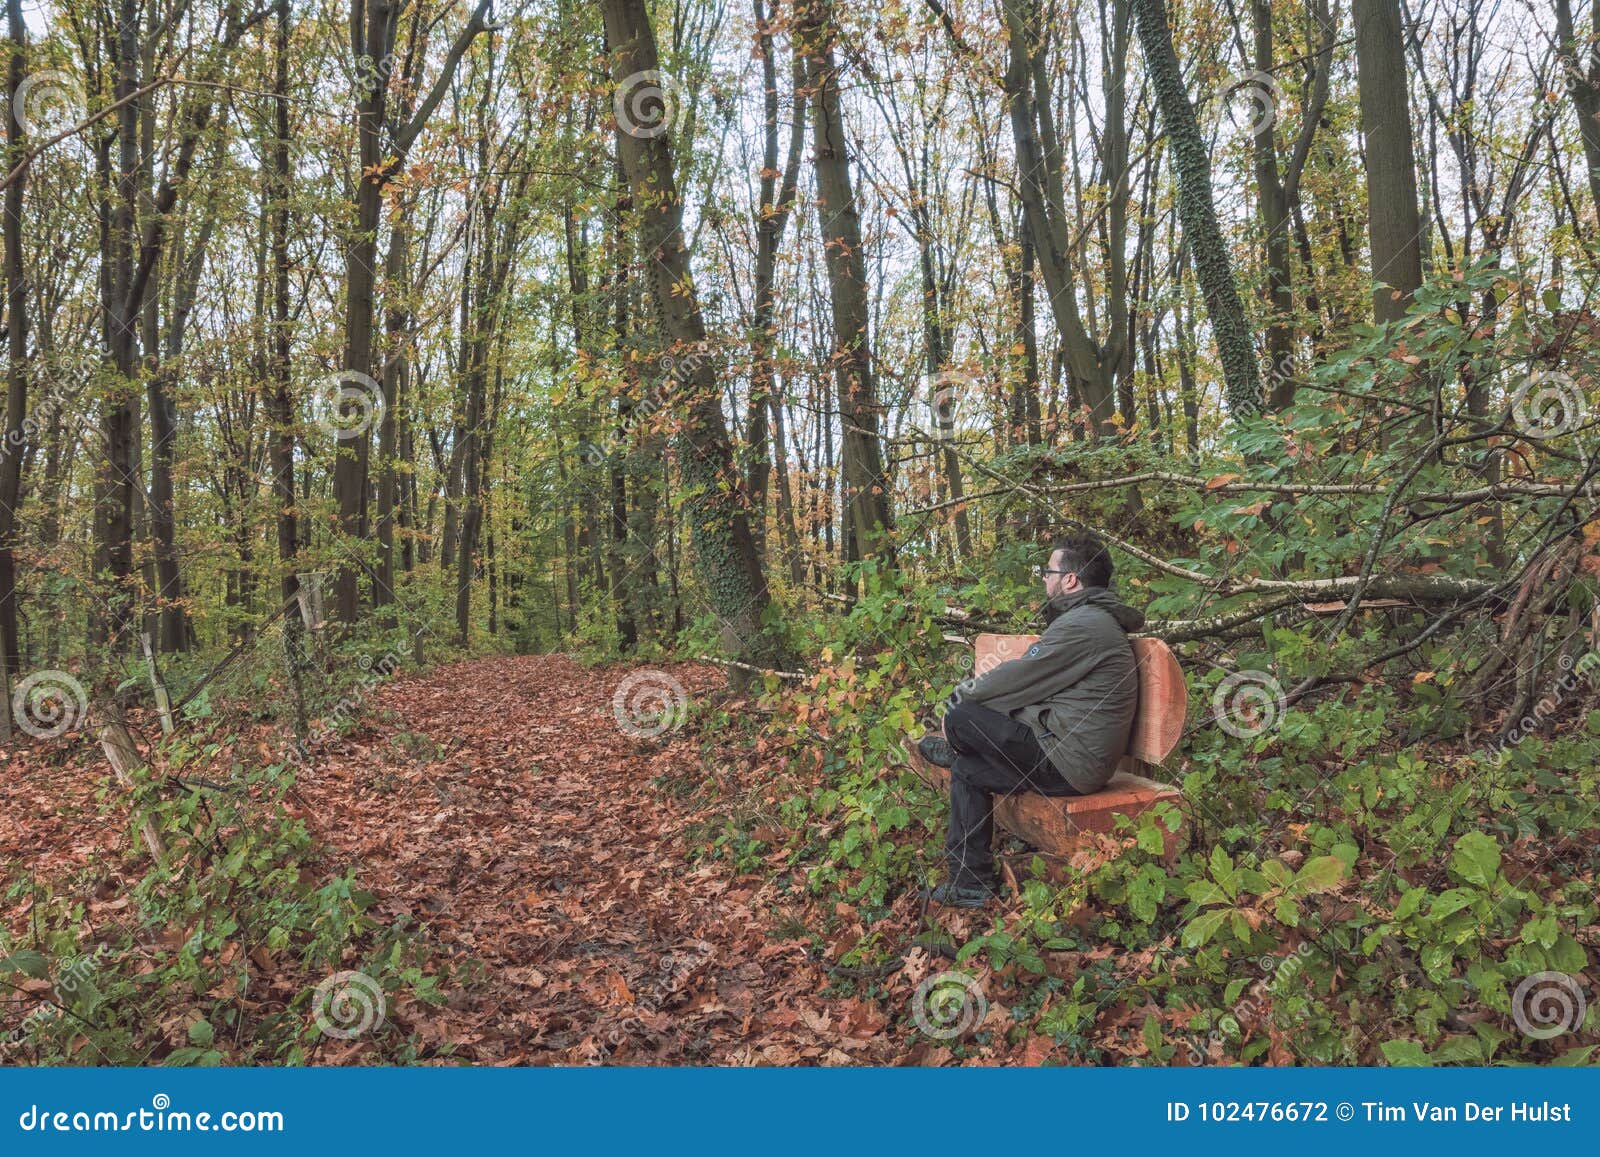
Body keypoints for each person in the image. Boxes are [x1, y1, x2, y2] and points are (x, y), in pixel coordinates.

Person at [917, 532, 1145, 907]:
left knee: (962, 715)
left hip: (1068, 762)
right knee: (969, 769)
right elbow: (1035, 688)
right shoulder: (1090, 621)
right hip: (1073, 756)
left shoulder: (1084, 626)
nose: (1044, 578)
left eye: (1048, 571)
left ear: (1070, 579)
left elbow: (1019, 675)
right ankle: (970, 883)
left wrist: (955, 707)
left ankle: (954, 743)